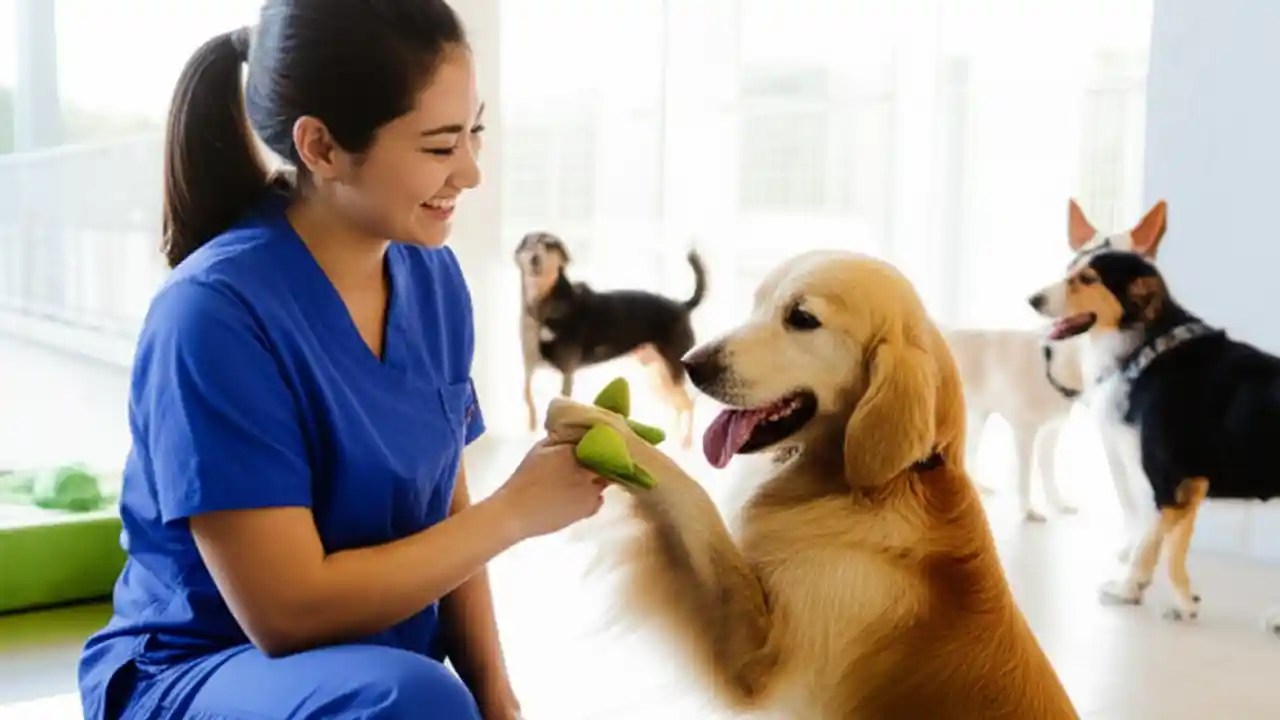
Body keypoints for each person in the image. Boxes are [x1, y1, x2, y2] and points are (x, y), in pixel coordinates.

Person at [77, 2, 607, 718]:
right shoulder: (214, 314)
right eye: (439, 145)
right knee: (413, 697)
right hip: (202, 670)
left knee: (430, 698)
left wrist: (499, 700)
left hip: (374, 675)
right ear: (321, 147)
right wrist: (517, 512)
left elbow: (442, 506)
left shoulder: (435, 281)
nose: (472, 172)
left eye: (474, 132)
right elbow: (286, 613)